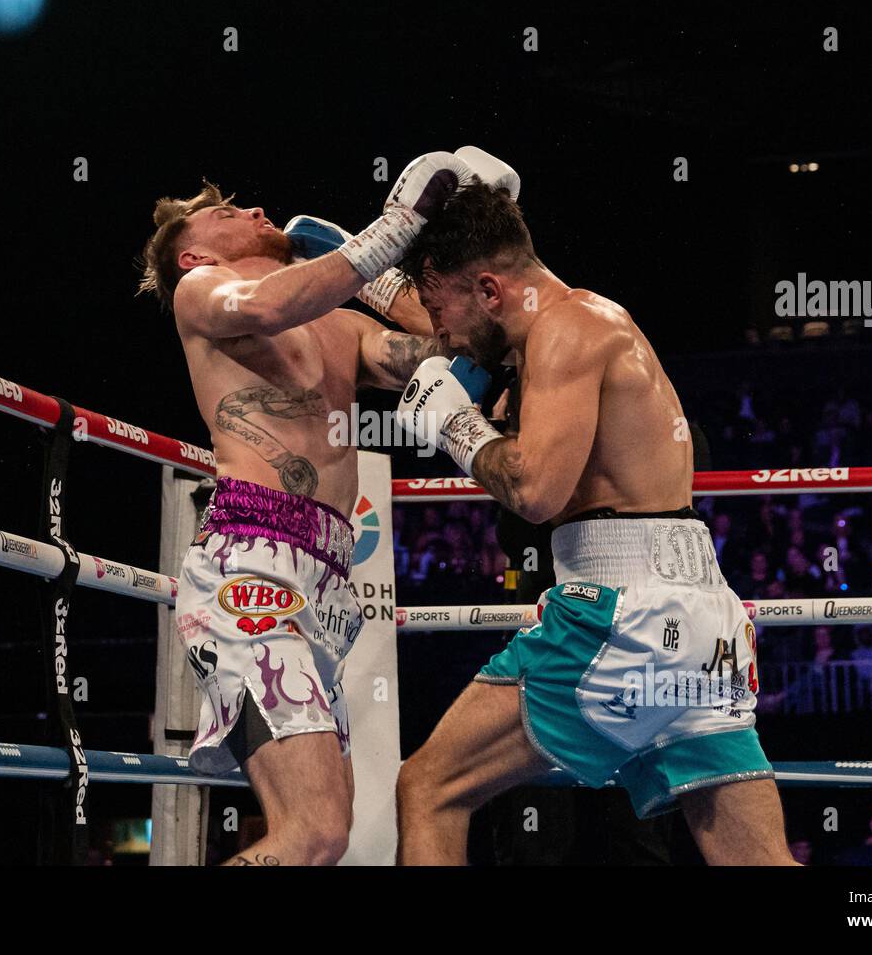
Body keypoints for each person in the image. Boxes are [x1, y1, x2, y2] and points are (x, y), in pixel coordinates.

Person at [391, 179, 794, 865]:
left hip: (622, 614)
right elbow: (446, 317)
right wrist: (354, 258)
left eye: (441, 311)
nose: (439, 335)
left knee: (429, 787)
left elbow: (536, 492)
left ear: (490, 290)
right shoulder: (585, 320)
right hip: (703, 624)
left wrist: (454, 427)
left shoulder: (564, 332)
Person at [137, 149, 499, 864]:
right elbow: (272, 304)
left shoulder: (342, 326)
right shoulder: (205, 292)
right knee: (316, 833)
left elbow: (453, 354)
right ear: (193, 253)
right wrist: (388, 230)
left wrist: (393, 270)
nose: (251, 209)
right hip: (250, 564)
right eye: (224, 213)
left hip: (330, 585)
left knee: (320, 837)